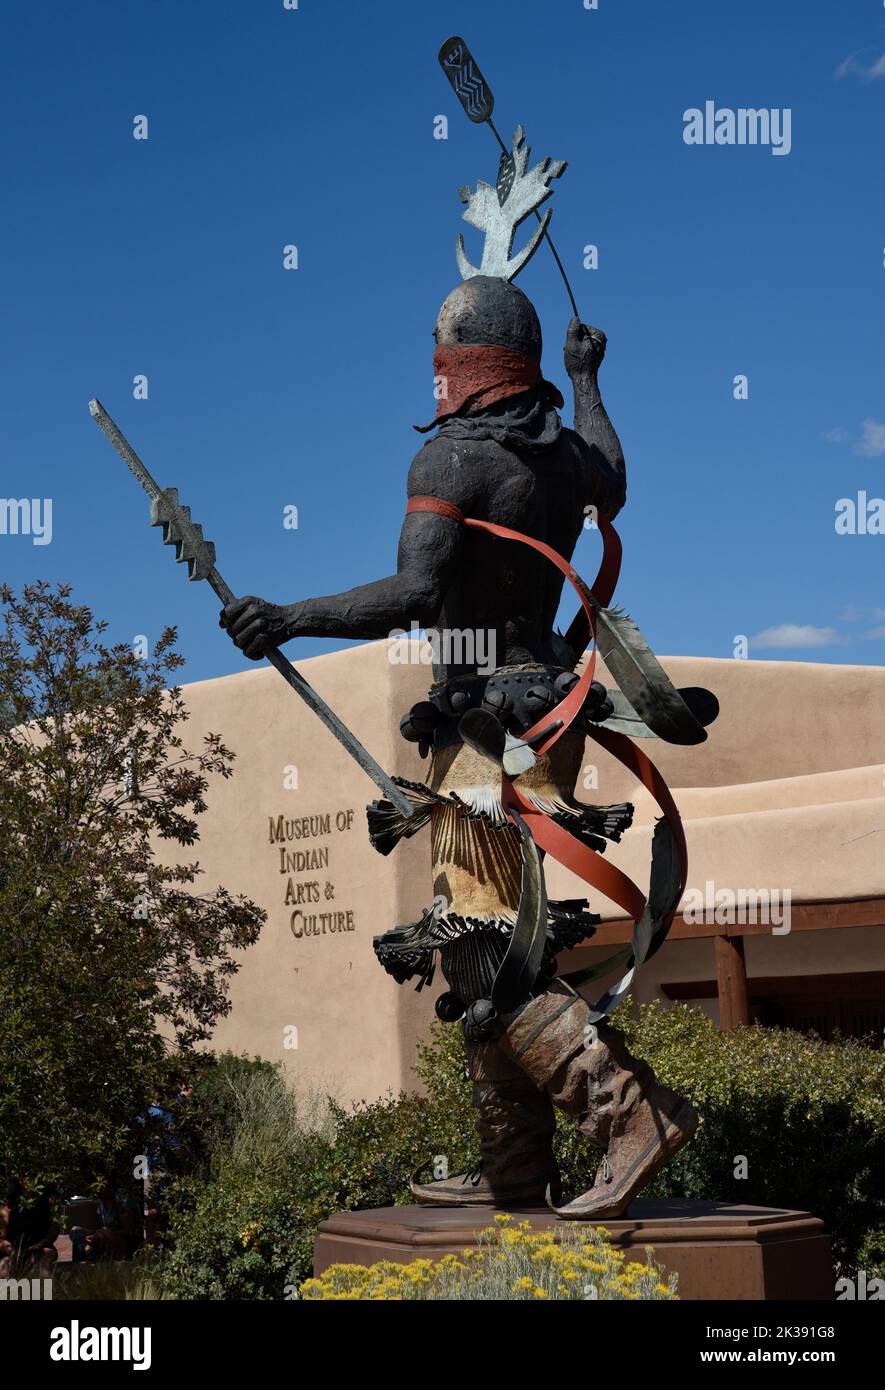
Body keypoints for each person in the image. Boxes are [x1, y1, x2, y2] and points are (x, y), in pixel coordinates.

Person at [219, 274, 698, 1218]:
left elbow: (414, 593)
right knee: (481, 943)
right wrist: (587, 376)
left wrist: (289, 615)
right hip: (547, 710)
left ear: (455, 365)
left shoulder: (450, 460)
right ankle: (514, 1169)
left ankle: (629, 1113)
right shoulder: (559, 452)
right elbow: (616, 479)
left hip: (484, 728)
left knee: (483, 937)